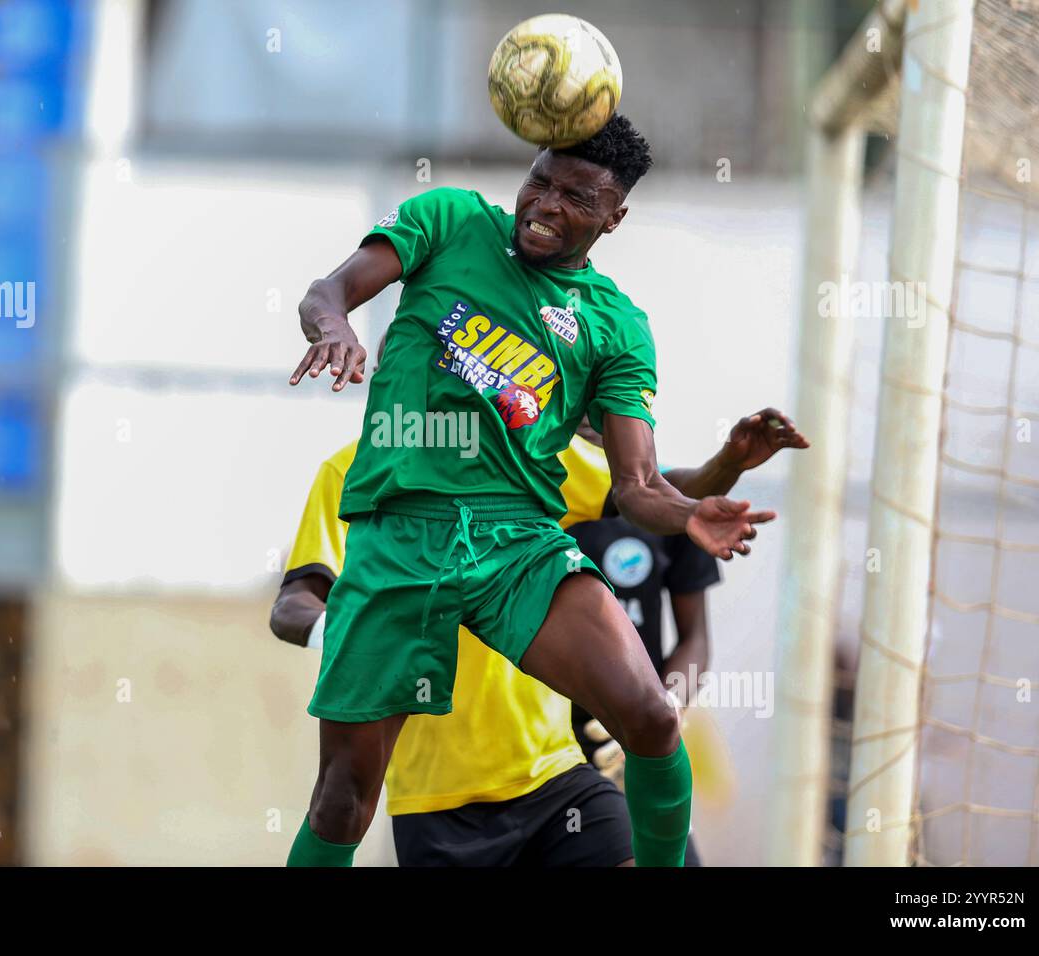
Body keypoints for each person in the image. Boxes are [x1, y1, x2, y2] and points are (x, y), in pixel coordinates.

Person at [287, 113, 780, 867]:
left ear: (614, 218)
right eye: (538, 182)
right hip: (398, 537)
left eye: (574, 197)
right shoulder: (448, 220)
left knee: (650, 715)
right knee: (344, 797)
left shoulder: (614, 325)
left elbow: (638, 485)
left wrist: (689, 515)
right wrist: (334, 328)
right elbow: (328, 290)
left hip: (512, 538)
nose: (544, 205)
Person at [272, 409, 806, 865]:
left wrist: (729, 464)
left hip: (555, 772)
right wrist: (350, 636)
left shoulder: (516, 452)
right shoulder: (349, 471)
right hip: (438, 799)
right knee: (337, 806)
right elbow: (294, 604)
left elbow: (647, 492)